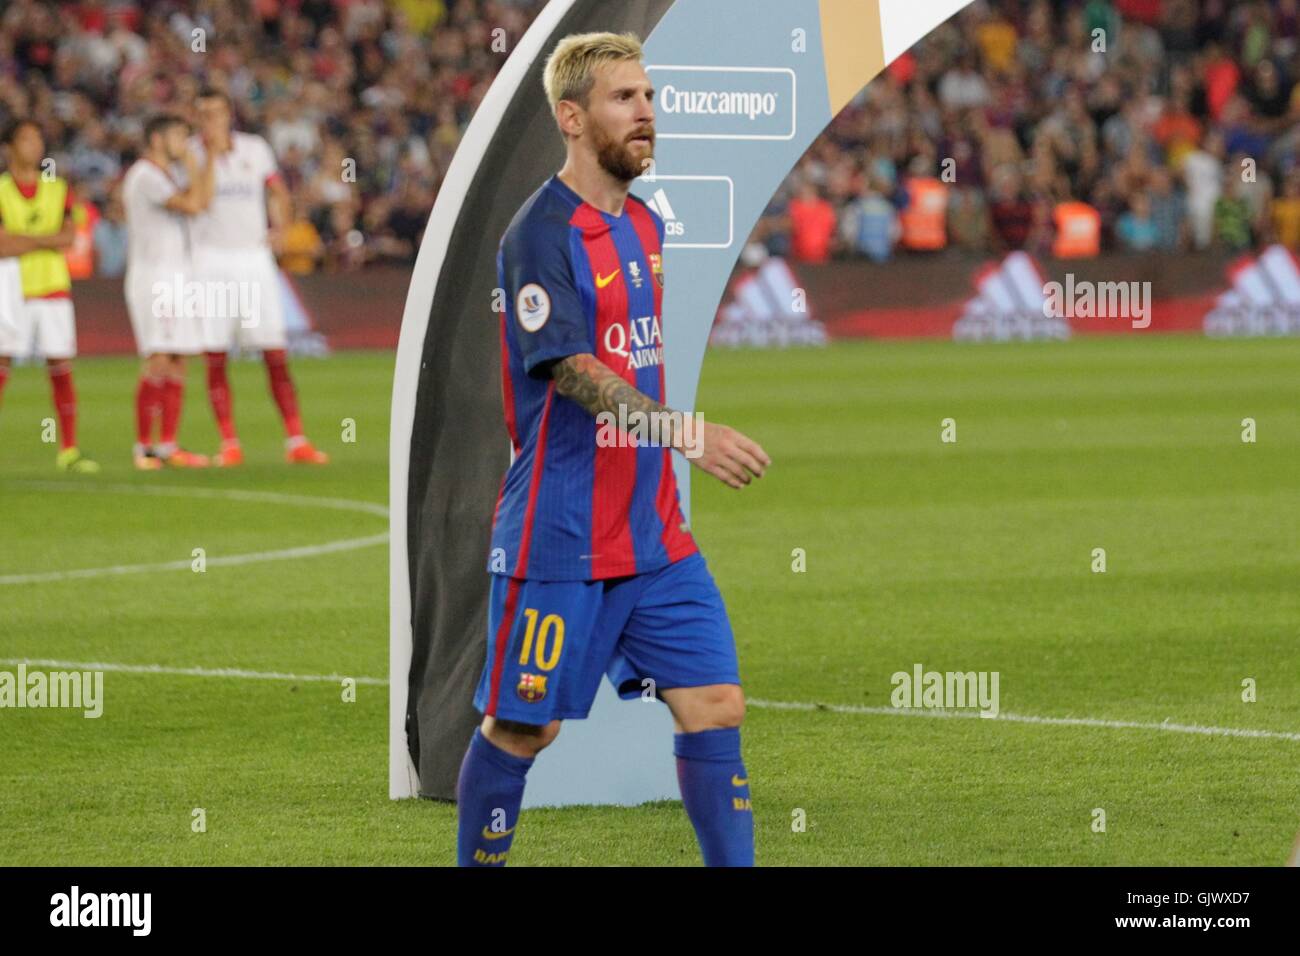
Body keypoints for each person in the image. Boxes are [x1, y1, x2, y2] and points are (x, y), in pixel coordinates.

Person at [456, 31, 770, 868]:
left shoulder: (643, 224)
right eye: (624, 99)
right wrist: (686, 432)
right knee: (526, 725)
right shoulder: (539, 236)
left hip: (653, 532)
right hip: (561, 536)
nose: (646, 114)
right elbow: (572, 370)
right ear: (570, 117)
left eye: (649, 97)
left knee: (714, 702)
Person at [190, 87, 329, 466]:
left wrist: (281, 226)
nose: (211, 121)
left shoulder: (255, 149)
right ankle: (229, 443)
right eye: (204, 114)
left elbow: (277, 191)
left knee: (274, 351)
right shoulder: (190, 154)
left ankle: (296, 439)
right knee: (216, 354)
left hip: (253, 258)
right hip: (211, 260)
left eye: (217, 113)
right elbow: (197, 200)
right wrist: (210, 158)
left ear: (229, 115)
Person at [0, 119, 99, 473]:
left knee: (60, 365)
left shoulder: (57, 188)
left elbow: (69, 237)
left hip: (53, 287)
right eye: (26, 139)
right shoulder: (1, 189)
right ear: (10, 147)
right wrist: (45, 238)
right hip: (11, 289)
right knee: (3, 366)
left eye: (38, 139)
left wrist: (22, 241)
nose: (35, 146)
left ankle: (68, 449)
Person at [121, 113, 214, 469]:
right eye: (178, 135)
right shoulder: (145, 175)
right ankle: (143, 447)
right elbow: (194, 204)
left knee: (177, 360)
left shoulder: (168, 176)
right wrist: (194, 164)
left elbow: (201, 200)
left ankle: (168, 445)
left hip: (177, 276)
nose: (184, 143)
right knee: (158, 357)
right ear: (157, 139)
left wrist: (194, 169)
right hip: (153, 277)